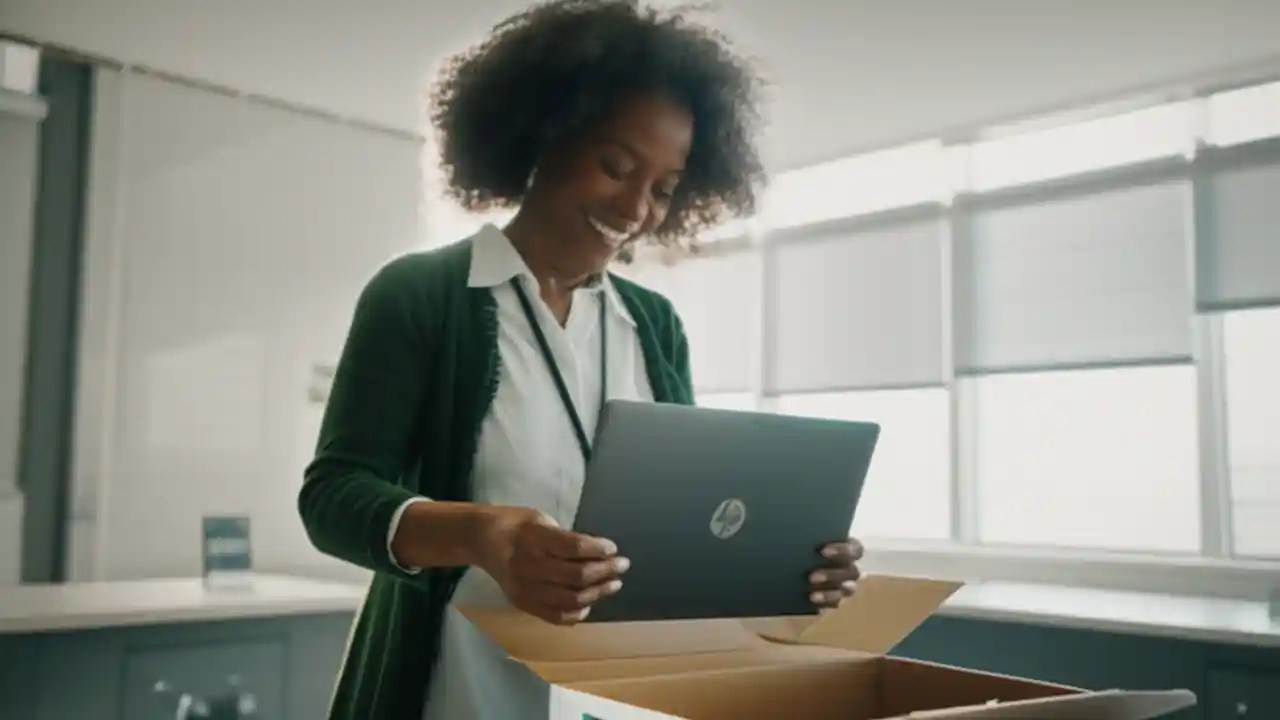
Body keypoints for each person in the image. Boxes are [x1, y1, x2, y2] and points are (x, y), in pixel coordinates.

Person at [297, 2, 864, 718]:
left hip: (615, 697)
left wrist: (788, 569)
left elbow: (688, 524)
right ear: (542, 134)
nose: (636, 209)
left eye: (663, 188)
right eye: (615, 165)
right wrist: (485, 535)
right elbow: (333, 497)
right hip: (458, 689)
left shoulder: (652, 324)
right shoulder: (421, 295)